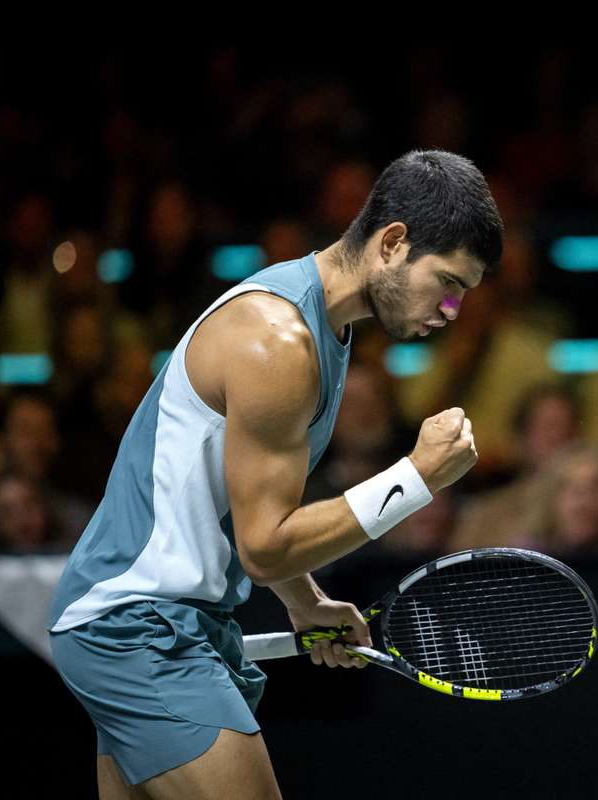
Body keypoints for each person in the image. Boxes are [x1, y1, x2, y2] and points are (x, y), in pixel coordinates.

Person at [47, 150, 503, 799]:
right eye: (449, 281)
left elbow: (248, 512)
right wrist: (415, 479)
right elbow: (264, 546)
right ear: (393, 243)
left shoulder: (324, 329)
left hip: (153, 623)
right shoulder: (278, 342)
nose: (453, 309)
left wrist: (307, 603)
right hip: (138, 626)